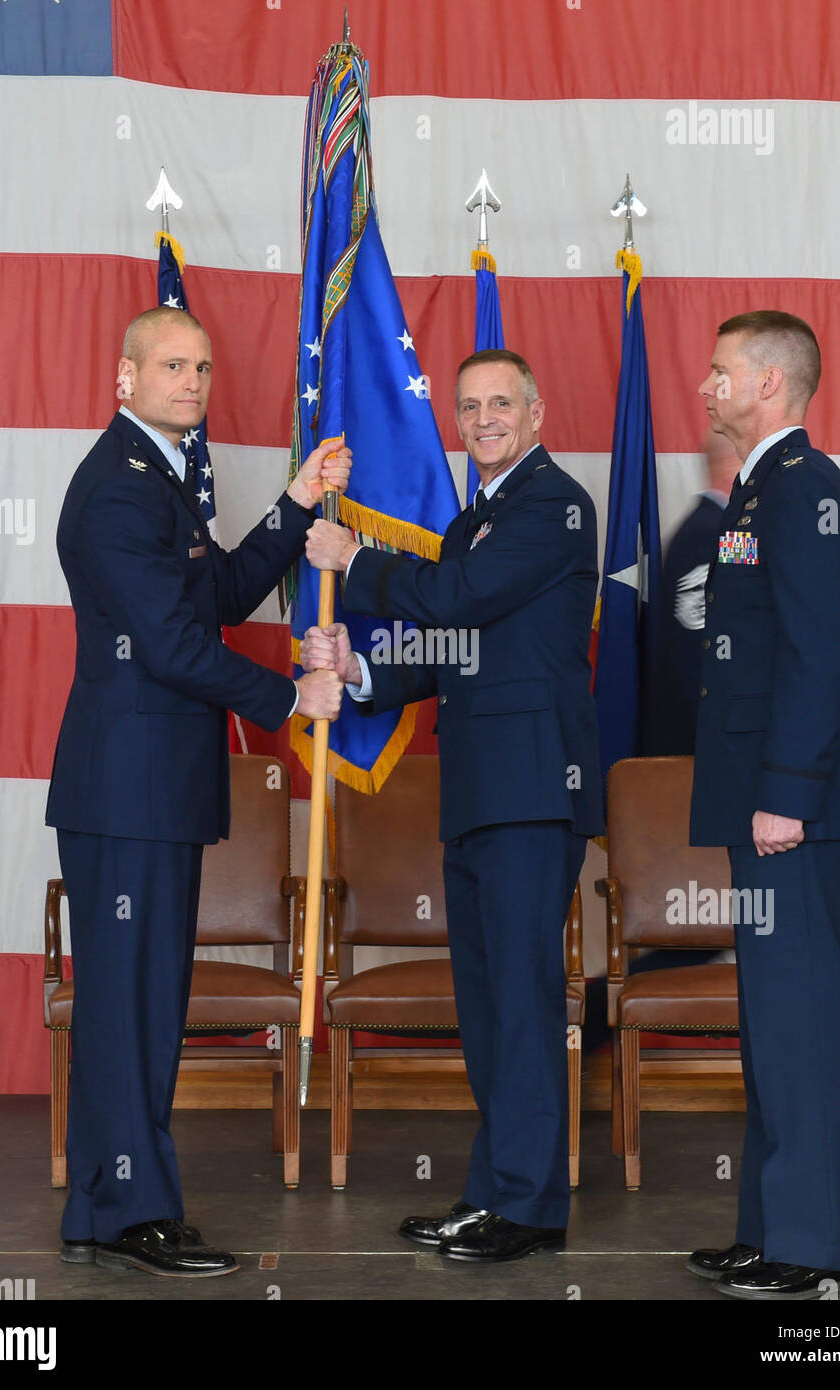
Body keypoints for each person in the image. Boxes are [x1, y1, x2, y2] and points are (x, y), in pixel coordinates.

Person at [45, 306, 347, 1277]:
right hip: (127, 791)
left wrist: (295, 502)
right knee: (132, 1003)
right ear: (123, 377)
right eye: (171, 364)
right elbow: (174, 648)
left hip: (144, 790)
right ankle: (140, 1212)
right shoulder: (121, 490)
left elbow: (213, 594)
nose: (192, 380)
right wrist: (290, 695)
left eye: (202, 367)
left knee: (134, 1000)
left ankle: (102, 1207)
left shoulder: (159, 482)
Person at [301, 348, 601, 1263]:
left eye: (501, 403)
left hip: (531, 788)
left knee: (521, 1001)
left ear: (538, 413)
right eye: (469, 407)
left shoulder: (555, 505)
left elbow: (459, 597)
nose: (483, 420)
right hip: (479, 790)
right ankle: (493, 1193)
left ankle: (532, 1209)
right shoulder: (480, 516)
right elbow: (454, 645)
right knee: (489, 1005)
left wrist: (353, 558)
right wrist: (358, 669)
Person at [687, 310, 840, 1300]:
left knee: (803, 1026)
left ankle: (814, 1248)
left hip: (797, 813)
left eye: (718, 371)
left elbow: (817, 654)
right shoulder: (758, 492)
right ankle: (770, 1228)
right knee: (770, 1024)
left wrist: (785, 796)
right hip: (766, 806)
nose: (703, 386)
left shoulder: (806, 490)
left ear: (768, 382)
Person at [645, 429, 737, 756]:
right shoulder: (708, 533)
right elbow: (694, 635)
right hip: (702, 730)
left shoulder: (723, 529)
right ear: (733, 465)